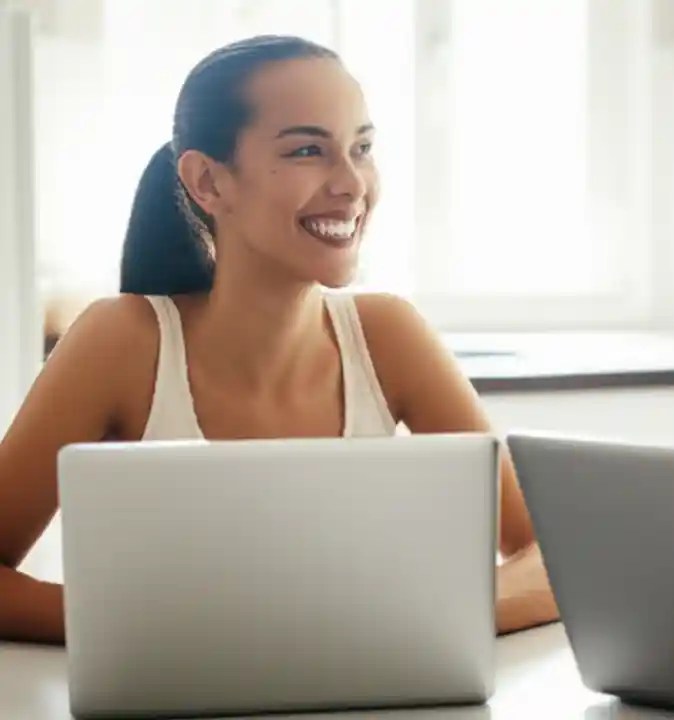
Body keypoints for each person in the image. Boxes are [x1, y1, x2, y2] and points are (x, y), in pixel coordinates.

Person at [0, 36, 558, 644]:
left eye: (362, 148)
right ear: (208, 181)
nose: (351, 183)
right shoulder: (121, 342)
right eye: (308, 151)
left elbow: (550, 557)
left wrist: (406, 617)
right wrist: (165, 629)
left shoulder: (389, 335)